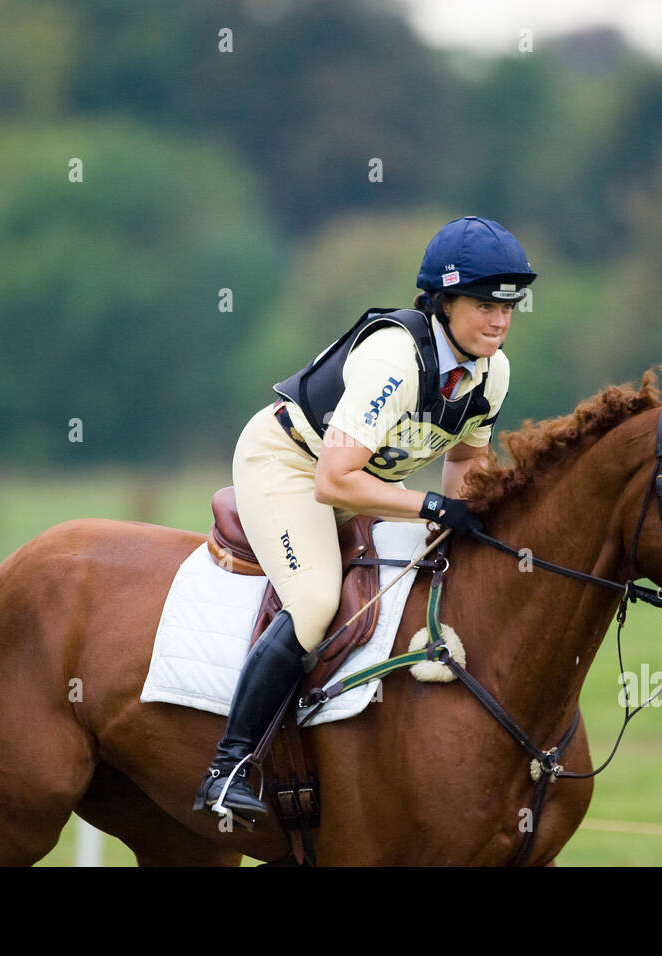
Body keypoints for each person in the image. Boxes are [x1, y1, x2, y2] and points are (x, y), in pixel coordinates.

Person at [193, 216, 537, 822]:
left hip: (360, 480)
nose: (500, 320)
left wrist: (470, 515)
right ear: (444, 301)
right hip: (293, 467)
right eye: (484, 303)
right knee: (317, 600)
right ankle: (228, 765)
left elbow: (462, 460)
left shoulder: (493, 372)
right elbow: (333, 480)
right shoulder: (395, 359)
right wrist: (431, 506)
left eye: (509, 305)